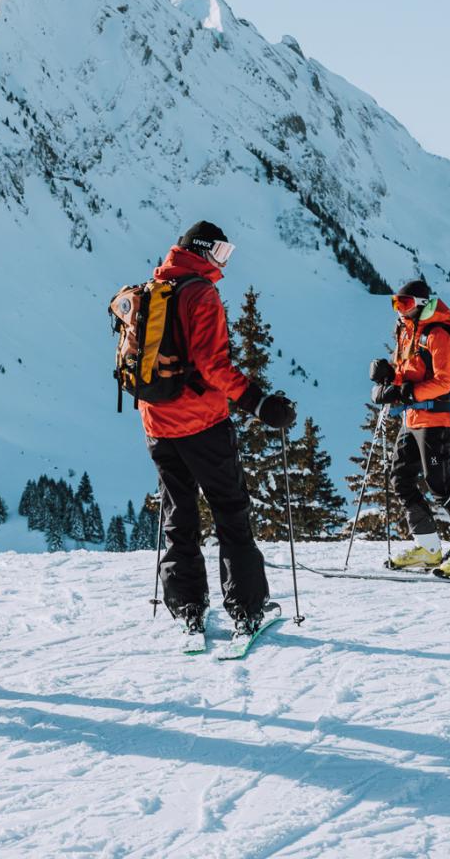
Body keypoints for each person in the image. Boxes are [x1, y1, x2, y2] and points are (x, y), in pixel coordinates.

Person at [138, 221, 295, 641]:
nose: (222, 263)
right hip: (201, 422)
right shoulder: (200, 293)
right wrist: (259, 403)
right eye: (221, 254)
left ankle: (187, 605)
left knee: (178, 514)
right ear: (204, 250)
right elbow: (213, 365)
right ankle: (247, 606)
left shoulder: (154, 289)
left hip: (157, 423)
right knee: (230, 510)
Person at [369, 278, 450, 576]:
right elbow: (409, 372)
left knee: (441, 485)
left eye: (405, 304)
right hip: (411, 420)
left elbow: (442, 383)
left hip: (435, 421)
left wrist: (405, 392)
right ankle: (428, 547)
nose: (399, 310)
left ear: (421, 305)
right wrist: (389, 378)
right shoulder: (407, 332)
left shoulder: (438, 334)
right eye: (396, 303)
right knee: (401, 479)